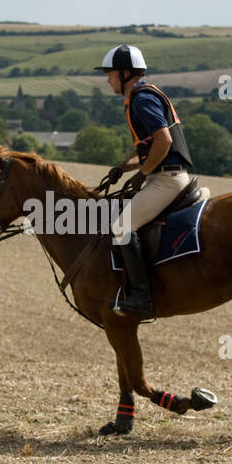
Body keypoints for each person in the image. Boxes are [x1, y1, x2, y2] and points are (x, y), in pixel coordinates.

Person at [94, 44, 194, 318]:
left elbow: (164, 140)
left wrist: (142, 173)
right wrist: (123, 167)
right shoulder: (138, 98)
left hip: (166, 179)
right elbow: (148, 148)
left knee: (121, 227)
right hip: (162, 174)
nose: (108, 80)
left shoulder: (141, 99)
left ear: (126, 73)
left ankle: (141, 297)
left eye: (110, 73)